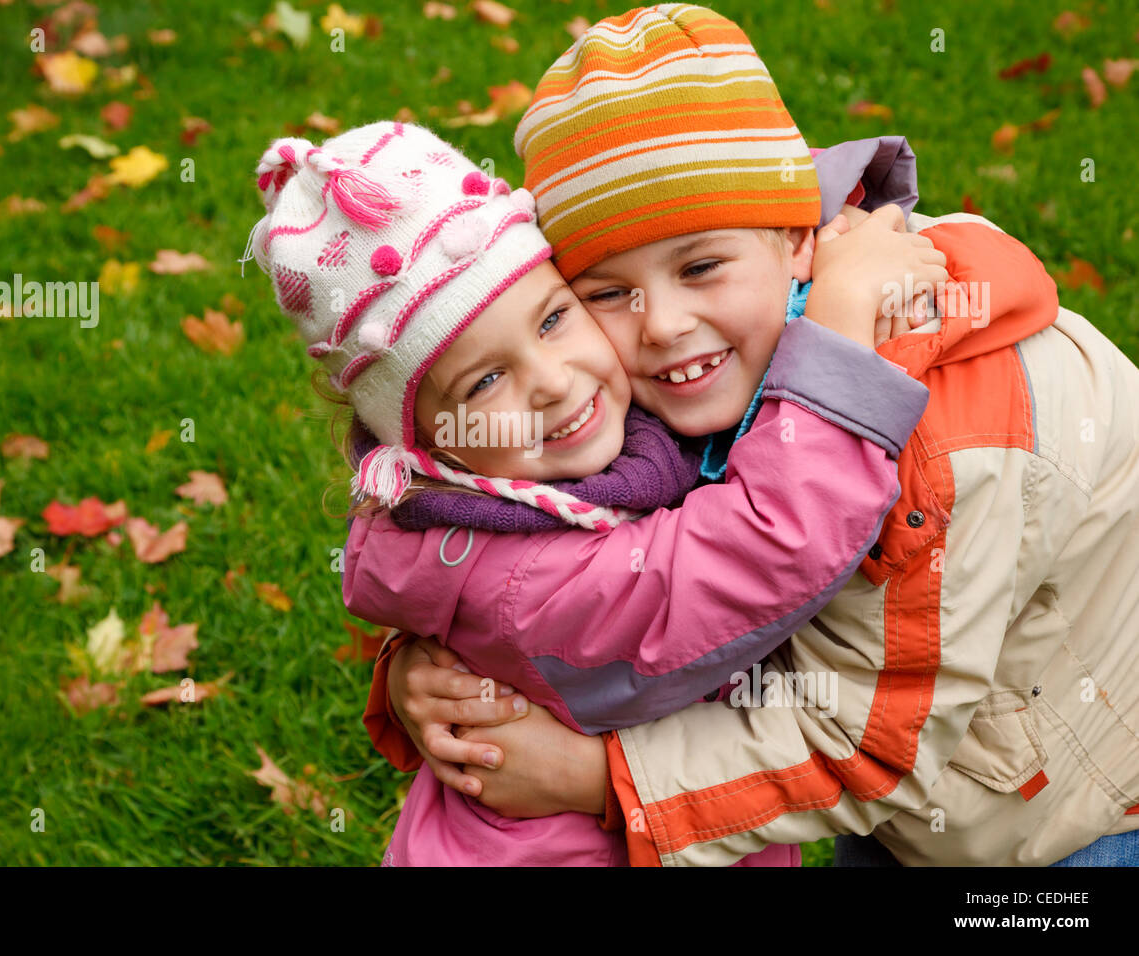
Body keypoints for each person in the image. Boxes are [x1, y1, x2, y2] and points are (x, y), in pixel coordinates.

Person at [378, 4, 1139, 867]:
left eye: (701, 266)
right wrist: (433, 669)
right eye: (605, 291)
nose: (661, 324)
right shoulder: (663, 374)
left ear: (799, 239)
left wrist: (602, 778)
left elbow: (880, 748)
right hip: (927, 794)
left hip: (1065, 819)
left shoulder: (937, 439)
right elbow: (573, 572)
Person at [248, 118, 938, 865]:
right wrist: (837, 334)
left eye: (553, 319)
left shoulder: (547, 464)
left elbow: (694, 193)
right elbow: (762, 548)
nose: (552, 380)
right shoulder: (525, 582)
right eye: (484, 381)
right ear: (424, 448)